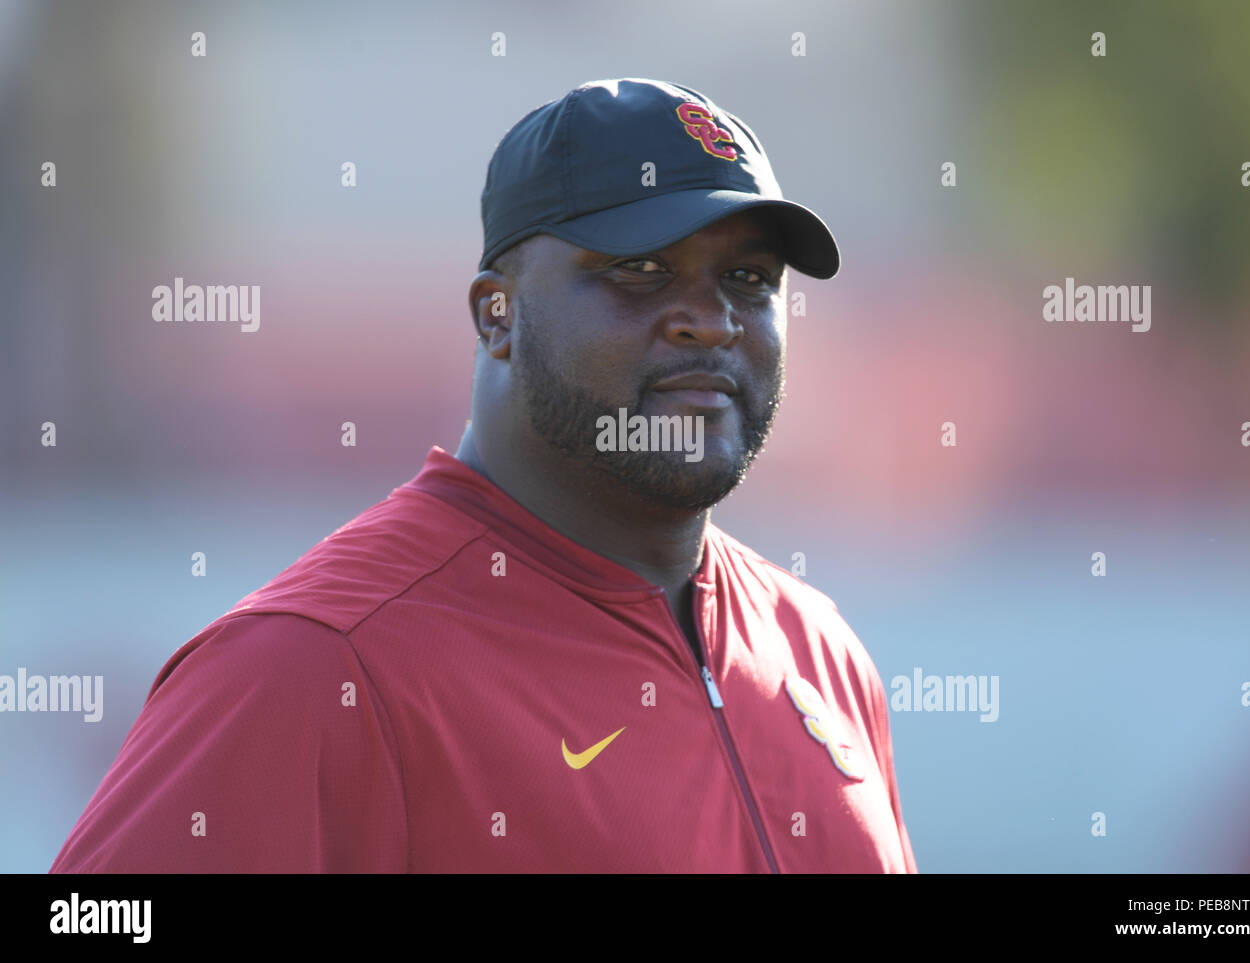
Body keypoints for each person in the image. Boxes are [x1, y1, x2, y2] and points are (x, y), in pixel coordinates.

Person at [50, 77, 917, 873]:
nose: (711, 320)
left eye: (748, 278)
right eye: (640, 269)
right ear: (496, 315)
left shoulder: (820, 648)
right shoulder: (311, 664)